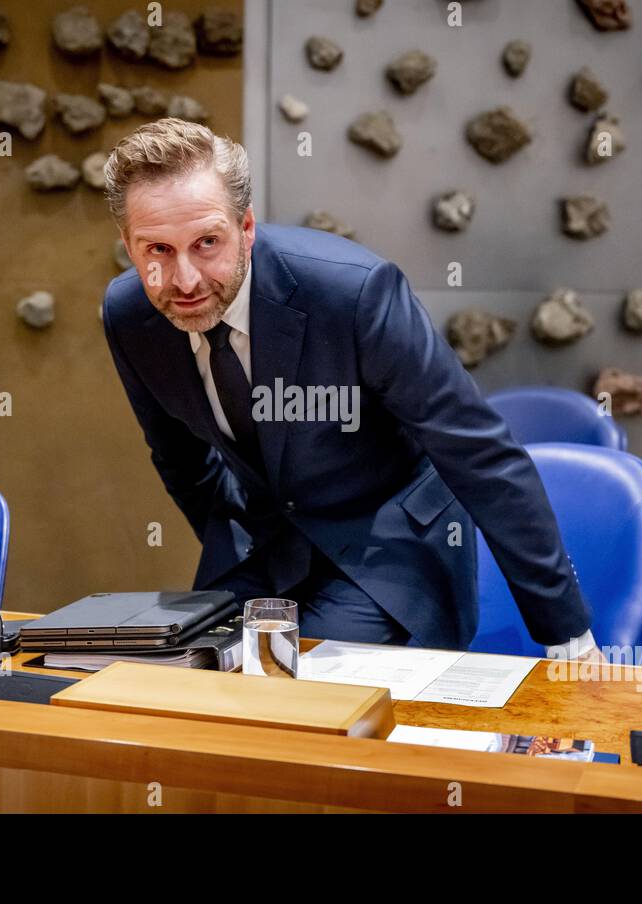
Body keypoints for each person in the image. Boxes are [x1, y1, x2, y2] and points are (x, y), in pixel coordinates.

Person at [100, 118, 597, 659]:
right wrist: (238, 545)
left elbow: (477, 450)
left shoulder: (353, 292)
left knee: (307, 697)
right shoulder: (129, 316)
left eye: (207, 243)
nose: (186, 280)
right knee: (184, 683)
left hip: (388, 544)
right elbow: (180, 461)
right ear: (128, 244)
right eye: (158, 251)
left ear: (246, 229)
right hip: (268, 548)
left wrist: (565, 631)